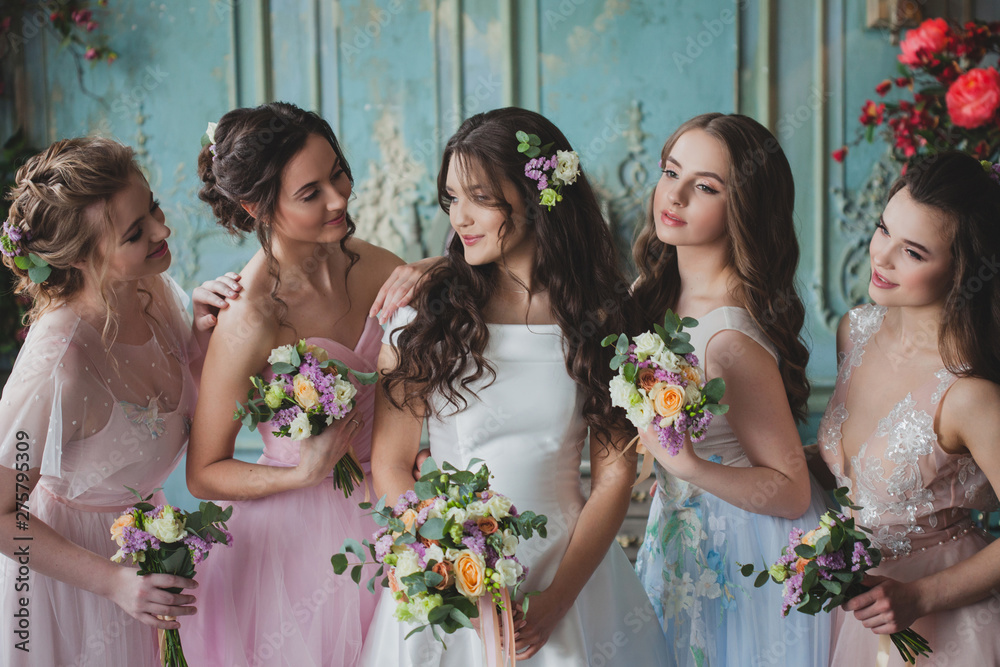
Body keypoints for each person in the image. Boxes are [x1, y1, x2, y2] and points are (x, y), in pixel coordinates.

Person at [363, 106, 668, 666]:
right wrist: (447, 568)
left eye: (479, 197)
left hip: (570, 570)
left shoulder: (602, 316)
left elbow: (614, 474)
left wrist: (555, 602)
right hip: (450, 577)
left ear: (537, 197)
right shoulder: (422, 316)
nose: (460, 216)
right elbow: (390, 463)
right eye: (451, 198)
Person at [0, 136, 241, 666]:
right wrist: (111, 582)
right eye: (135, 233)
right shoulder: (56, 367)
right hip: (71, 582)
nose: (162, 229)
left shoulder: (154, 292)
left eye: (152, 206)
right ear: (84, 259)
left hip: (140, 554)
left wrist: (199, 339)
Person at [181, 102, 403, 667]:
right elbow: (205, 473)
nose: (339, 198)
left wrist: (432, 268)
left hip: (396, 509)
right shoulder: (250, 316)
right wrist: (305, 470)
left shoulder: (378, 267)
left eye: (339, 172)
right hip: (299, 546)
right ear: (256, 206)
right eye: (311, 193)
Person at [631, 113, 831, 666]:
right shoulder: (653, 293)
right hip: (680, 533)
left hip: (747, 549)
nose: (674, 195)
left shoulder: (727, 335)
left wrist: (687, 467)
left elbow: (790, 491)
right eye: (671, 172)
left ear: (743, 206)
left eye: (705, 187)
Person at [815, 151, 1000, 665]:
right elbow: (850, 462)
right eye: (882, 230)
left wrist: (920, 597)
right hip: (856, 607)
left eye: (914, 252)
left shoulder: (968, 394)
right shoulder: (856, 330)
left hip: (942, 617)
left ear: (963, 270)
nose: (882, 256)